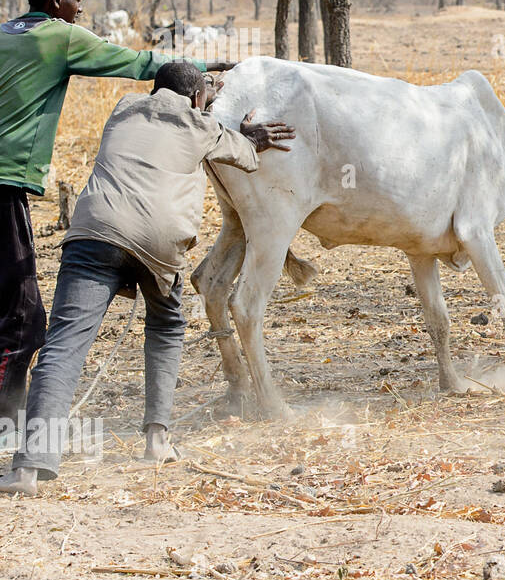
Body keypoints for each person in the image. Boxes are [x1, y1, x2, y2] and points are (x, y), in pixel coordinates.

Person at [0, 61, 294, 494]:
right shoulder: (203, 127)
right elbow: (246, 155)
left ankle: (28, 468)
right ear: (198, 100)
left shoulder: (123, 107)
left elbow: (175, 107)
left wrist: (202, 94)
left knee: (62, 348)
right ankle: (157, 441)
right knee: (166, 326)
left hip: (93, 233)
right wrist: (246, 133)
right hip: (159, 244)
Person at [0, 0, 237, 445]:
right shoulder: (59, 37)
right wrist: (200, 70)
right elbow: (131, 62)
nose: (81, 10)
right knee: (23, 322)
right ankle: (8, 430)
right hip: (5, 186)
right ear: (55, 3)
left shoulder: (5, 32)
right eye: (77, 2)